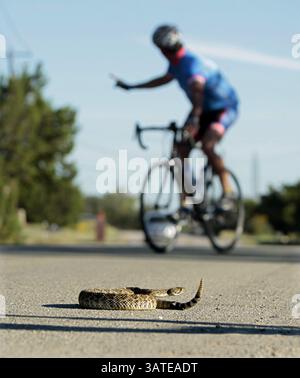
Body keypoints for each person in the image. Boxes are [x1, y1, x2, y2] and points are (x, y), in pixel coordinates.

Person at [114, 25, 239, 210]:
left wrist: (195, 119)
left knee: (208, 145)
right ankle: (189, 199)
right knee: (179, 151)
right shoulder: (176, 64)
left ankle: (228, 192)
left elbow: (198, 90)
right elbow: (163, 79)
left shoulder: (190, 63)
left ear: (163, 49)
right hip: (202, 109)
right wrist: (133, 87)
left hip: (223, 108)